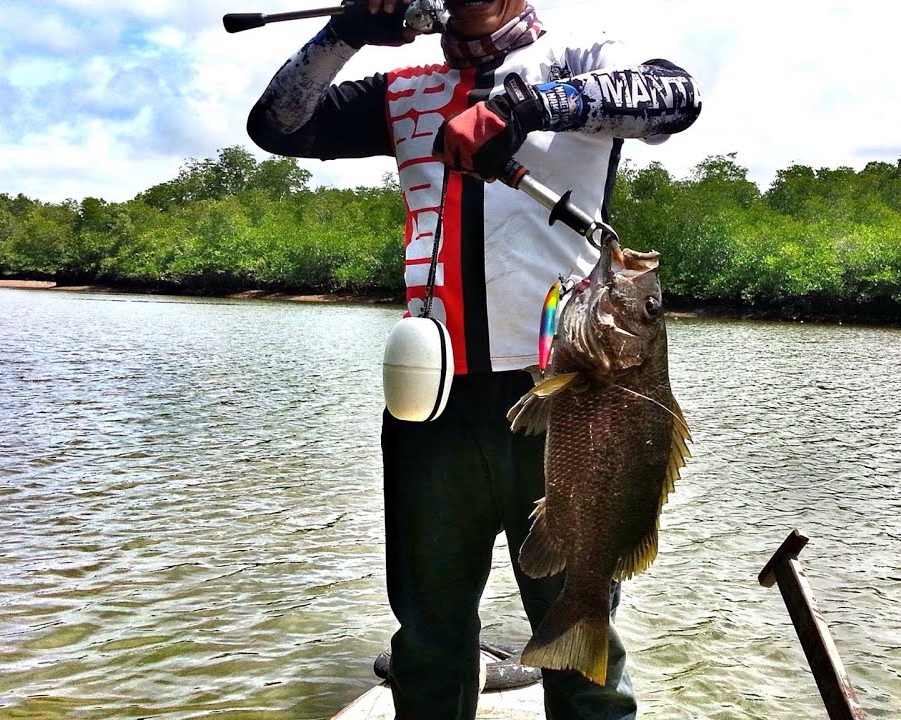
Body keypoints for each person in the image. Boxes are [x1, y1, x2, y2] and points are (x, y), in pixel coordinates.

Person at [247, 1, 701, 717]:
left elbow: (675, 96)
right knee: (429, 636)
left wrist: (528, 106)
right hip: (431, 398)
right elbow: (276, 126)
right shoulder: (403, 89)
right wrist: (346, 32)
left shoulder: (580, 57)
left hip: (565, 391)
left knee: (586, 645)